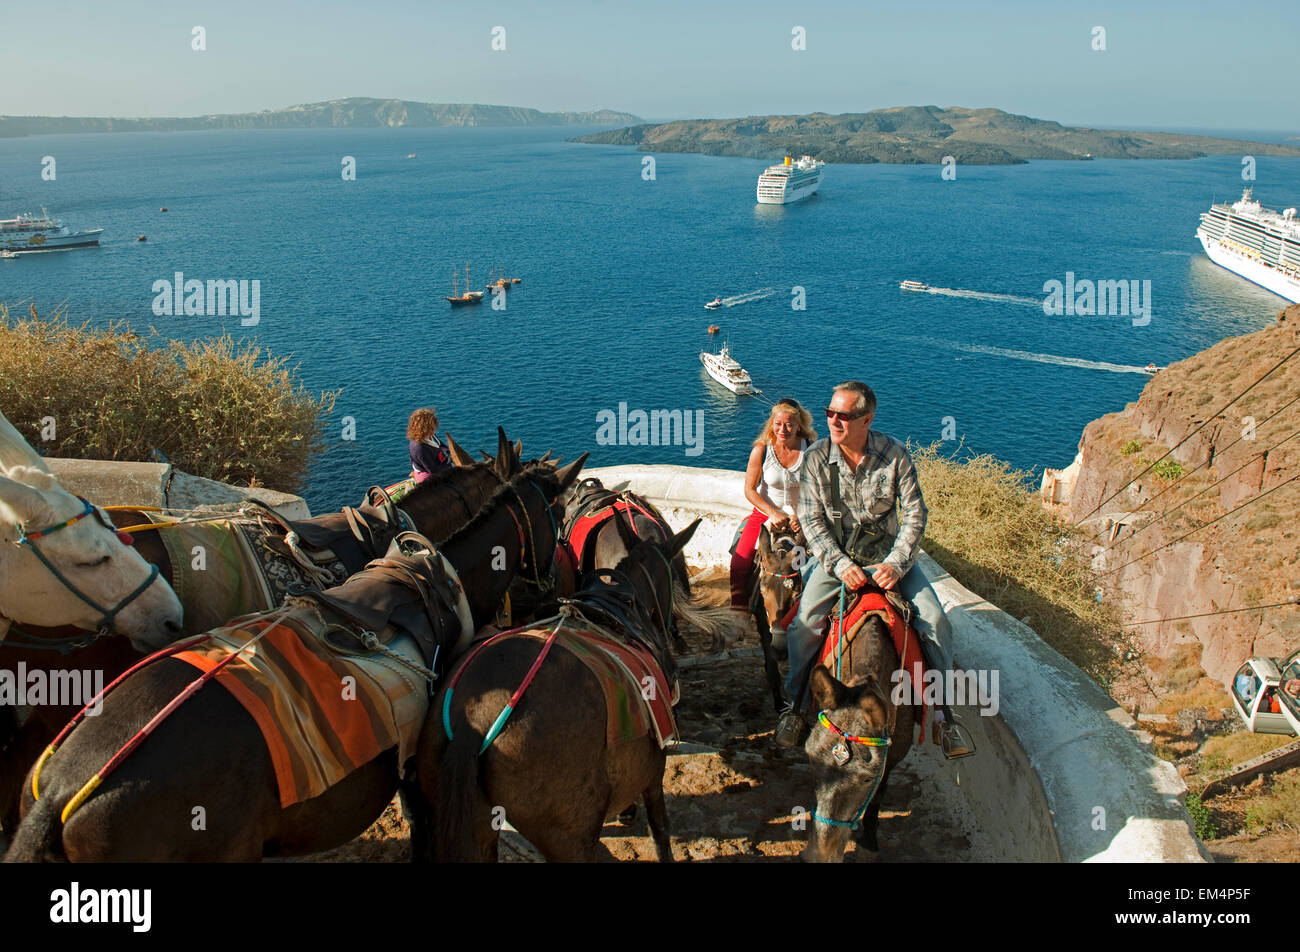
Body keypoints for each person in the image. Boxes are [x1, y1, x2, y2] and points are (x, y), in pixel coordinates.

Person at [776, 380, 974, 758]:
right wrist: (839, 564)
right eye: (830, 413)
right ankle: (797, 707)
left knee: (934, 621)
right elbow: (811, 518)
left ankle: (944, 718)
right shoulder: (817, 457)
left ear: (867, 420)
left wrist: (896, 564)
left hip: (888, 560)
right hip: (836, 561)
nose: (833, 421)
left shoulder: (895, 456)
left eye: (844, 416)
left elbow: (915, 515)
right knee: (804, 625)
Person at [730, 398, 817, 618]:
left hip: (802, 516)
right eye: (778, 424)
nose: (783, 429)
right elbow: (750, 490)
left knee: (816, 564)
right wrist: (772, 512)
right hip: (766, 513)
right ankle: (739, 612)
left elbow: (820, 491)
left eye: (789, 424)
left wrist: (803, 515)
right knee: (740, 563)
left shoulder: (812, 451)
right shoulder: (762, 451)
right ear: (772, 423)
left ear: (799, 425)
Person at [407, 407, 452, 482]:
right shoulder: (419, 448)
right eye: (429, 428)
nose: (433, 430)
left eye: (433, 427)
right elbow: (432, 470)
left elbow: (440, 444)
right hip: (429, 474)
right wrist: (449, 464)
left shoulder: (428, 434)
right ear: (421, 428)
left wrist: (450, 452)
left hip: (439, 464)